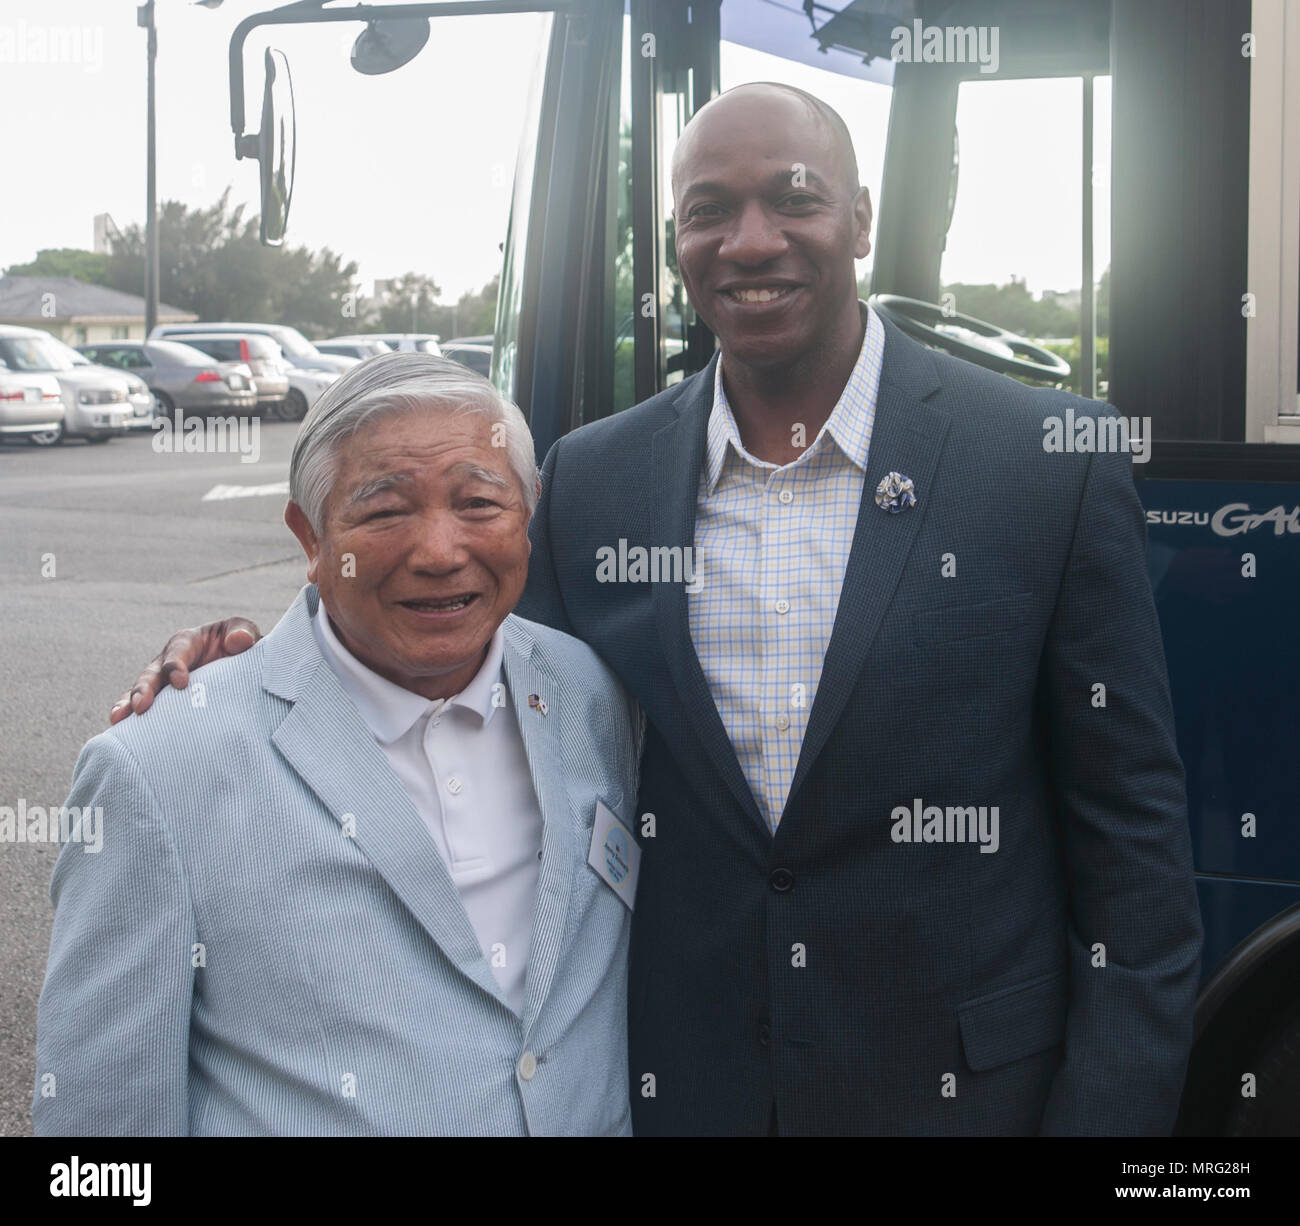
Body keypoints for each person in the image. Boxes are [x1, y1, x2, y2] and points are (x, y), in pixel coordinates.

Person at [110, 84, 1202, 1136]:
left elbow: (1134, 856)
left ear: (860, 217)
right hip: (682, 1094)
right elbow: (465, 656)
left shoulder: (1042, 465)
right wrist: (250, 664)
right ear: (675, 243)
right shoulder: (597, 477)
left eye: (795, 197)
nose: (750, 240)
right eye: (708, 211)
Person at [35, 354, 641, 1136]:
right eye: (385, 511)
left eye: (479, 503)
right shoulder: (159, 770)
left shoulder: (593, 694)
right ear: (309, 537)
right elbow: (95, 1141)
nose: (439, 551)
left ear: (528, 514)